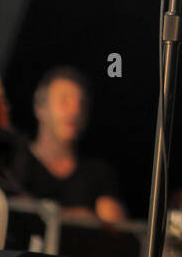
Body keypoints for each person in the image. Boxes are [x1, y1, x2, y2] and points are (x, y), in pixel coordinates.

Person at [19, 66, 127, 222]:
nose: (75, 111)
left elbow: (115, 228)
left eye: (81, 104)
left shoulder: (98, 173)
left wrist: (40, 212)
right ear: (40, 108)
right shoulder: (13, 162)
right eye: (64, 101)